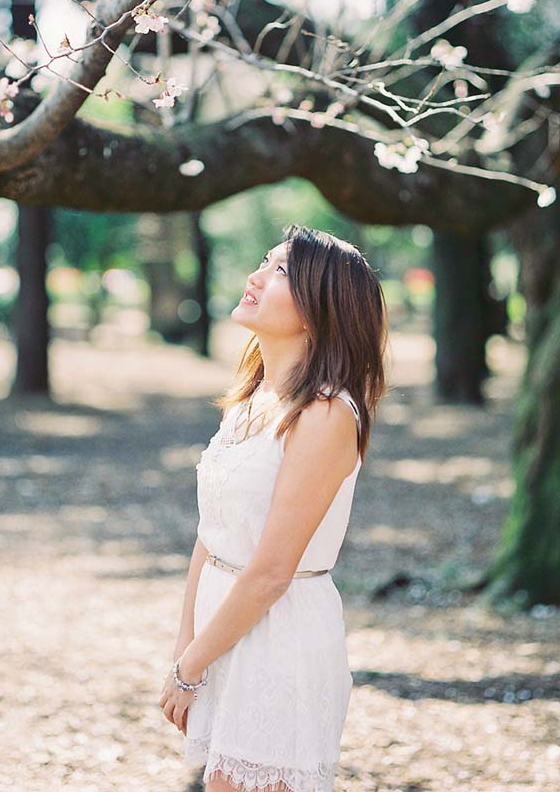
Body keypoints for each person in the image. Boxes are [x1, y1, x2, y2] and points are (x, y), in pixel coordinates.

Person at [159, 223, 390, 792]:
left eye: (281, 270)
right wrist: (188, 647)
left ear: (319, 307)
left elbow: (271, 573)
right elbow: (211, 533)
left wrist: (188, 670)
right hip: (225, 630)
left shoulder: (326, 415)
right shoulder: (253, 398)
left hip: (279, 638)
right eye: (264, 261)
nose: (256, 276)